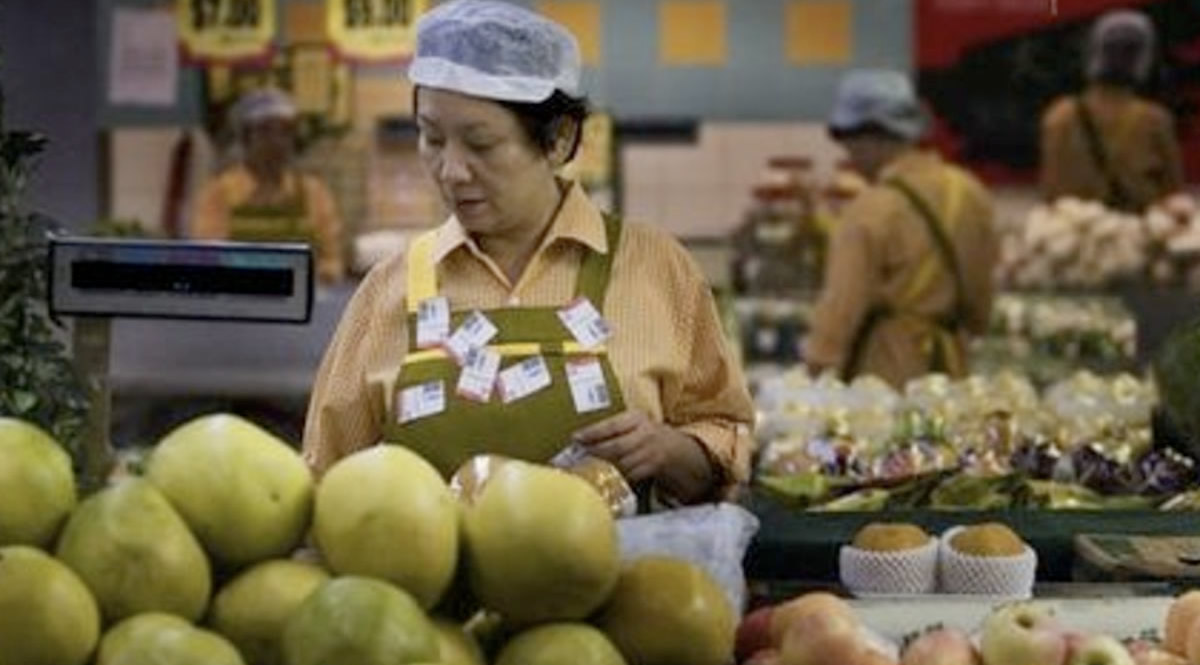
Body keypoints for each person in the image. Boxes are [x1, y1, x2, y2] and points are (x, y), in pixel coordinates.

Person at [302, 0, 754, 505]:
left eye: (481, 144)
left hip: (622, 581)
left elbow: (724, 438)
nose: (450, 170)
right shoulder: (390, 289)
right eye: (432, 138)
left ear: (558, 140)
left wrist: (670, 450)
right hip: (420, 586)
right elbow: (326, 481)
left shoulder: (655, 268)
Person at [805, 70, 998, 389]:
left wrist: (814, 376)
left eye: (851, 145)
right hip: (954, 371)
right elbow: (981, 305)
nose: (851, 157)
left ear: (873, 138)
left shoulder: (871, 209)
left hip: (888, 373)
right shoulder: (968, 192)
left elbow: (840, 310)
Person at [191, 88, 346, 283]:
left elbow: (332, 258)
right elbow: (208, 259)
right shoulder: (219, 193)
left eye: (285, 132)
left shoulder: (313, 192)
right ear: (246, 138)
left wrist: (322, 276)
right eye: (265, 131)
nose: (277, 141)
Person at [1040, 10, 1184, 213]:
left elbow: (1050, 194)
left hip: (1072, 238)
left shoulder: (1058, 117)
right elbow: (1174, 200)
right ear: (1143, 58)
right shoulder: (1155, 121)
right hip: (1140, 239)